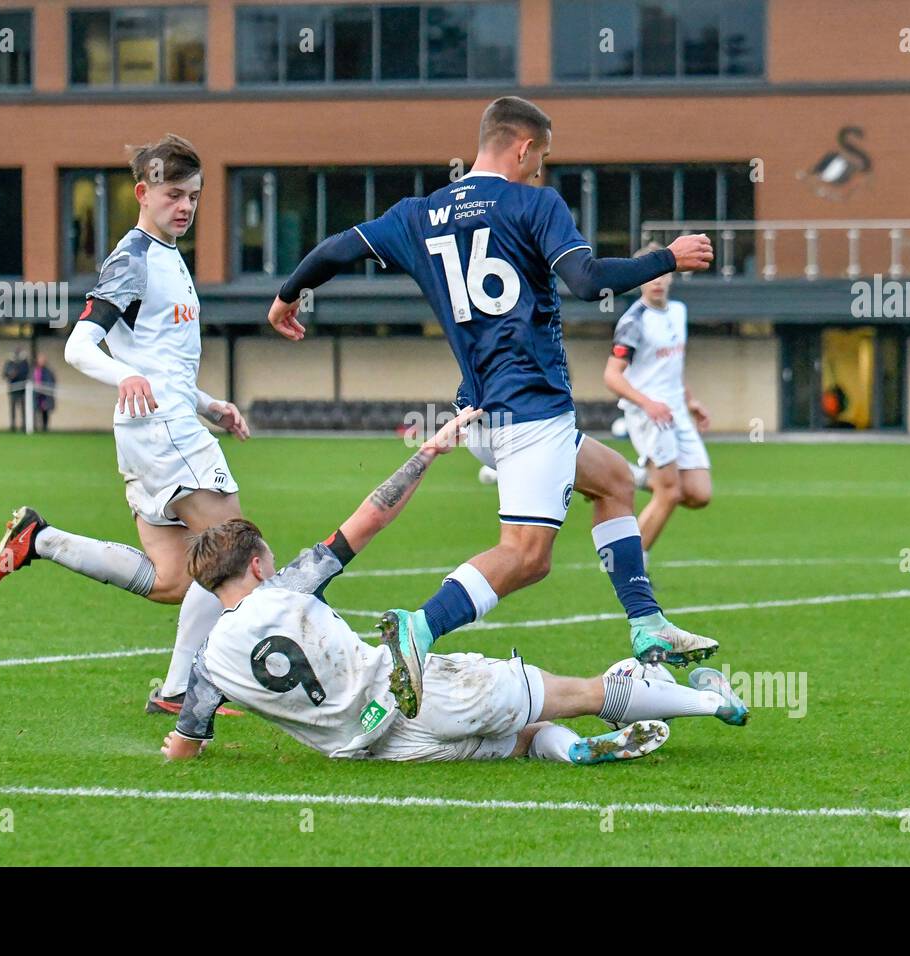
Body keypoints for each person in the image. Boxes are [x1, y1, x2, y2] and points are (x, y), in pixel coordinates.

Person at [266, 95, 718, 716]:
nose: (542, 171)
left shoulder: (417, 214)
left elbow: (337, 249)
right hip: (532, 410)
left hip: (477, 414)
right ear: (525, 147)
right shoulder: (535, 203)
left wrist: (288, 296)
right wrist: (669, 256)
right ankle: (417, 630)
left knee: (614, 479)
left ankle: (647, 624)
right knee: (527, 558)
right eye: (543, 158)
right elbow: (588, 283)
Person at [160, 408, 747, 766]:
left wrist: (180, 751)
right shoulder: (290, 586)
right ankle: (712, 699)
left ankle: (569, 751)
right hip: (417, 691)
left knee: (523, 737)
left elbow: (186, 738)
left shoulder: (209, 665)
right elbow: (372, 515)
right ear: (259, 565)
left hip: (385, 750)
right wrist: (428, 453)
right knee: (584, 693)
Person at [0, 134, 252, 718]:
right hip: (161, 431)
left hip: (161, 426)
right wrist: (123, 376)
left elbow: (161, 364)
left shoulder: (170, 257)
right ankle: (275, 680)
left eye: (195, 197)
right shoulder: (134, 258)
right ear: (142, 193)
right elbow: (80, 346)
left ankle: (39, 539)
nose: (186, 207)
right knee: (238, 549)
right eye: (175, 195)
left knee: (175, 579)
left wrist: (210, 405)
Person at [603, 245, 712, 566]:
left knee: (699, 493)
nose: (657, 281)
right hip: (650, 415)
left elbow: (671, 367)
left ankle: (636, 476)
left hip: (677, 411)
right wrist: (648, 403)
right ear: (640, 278)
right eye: (650, 274)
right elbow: (612, 375)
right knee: (669, 493)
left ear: (672, 276)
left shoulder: (678, 311)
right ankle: (628, 565)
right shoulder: (633, 321)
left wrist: (691, 401)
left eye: (663, 274)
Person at [3, 348, 31, 432]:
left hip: (23, 390)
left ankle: (24, 426)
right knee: (13, 409)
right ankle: (13, 426)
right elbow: (5, 374)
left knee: (23, 409)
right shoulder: (9, 363)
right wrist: (10, 375)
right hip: (13, 389)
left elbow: (27, 374)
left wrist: (18, 374)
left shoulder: (24, 363)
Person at [33, 355, 56, 432]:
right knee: (36, 411)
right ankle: (35, 427)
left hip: (45, 395)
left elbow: (51, 382)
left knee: (45, 412)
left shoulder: (48, 372)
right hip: (36, 395)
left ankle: (45, 428)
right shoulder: (35, 370)